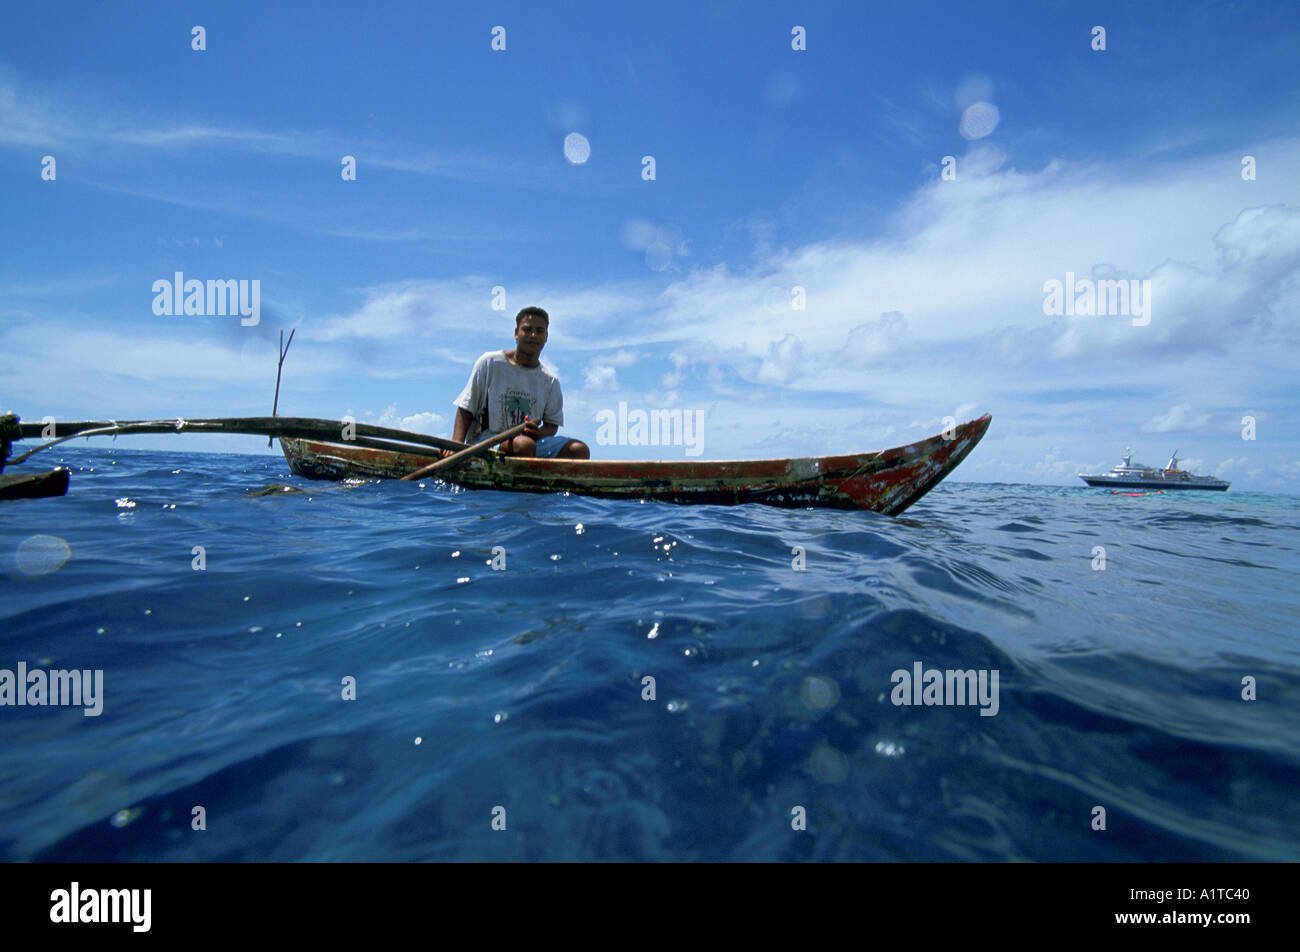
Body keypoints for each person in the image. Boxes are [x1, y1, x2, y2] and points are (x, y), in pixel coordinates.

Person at [447, 306, 591, 459]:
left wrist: (537, 433)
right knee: (523, 445)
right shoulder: (490, 363)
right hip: (489, 441)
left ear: (546, 336)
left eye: (539, 331)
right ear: (516, 333)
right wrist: (456, 445)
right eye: (527, 330)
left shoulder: (550, 381)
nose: (533, 335)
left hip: (531, 442)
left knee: (579, 450)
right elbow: (466, 408)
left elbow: (551, 425)